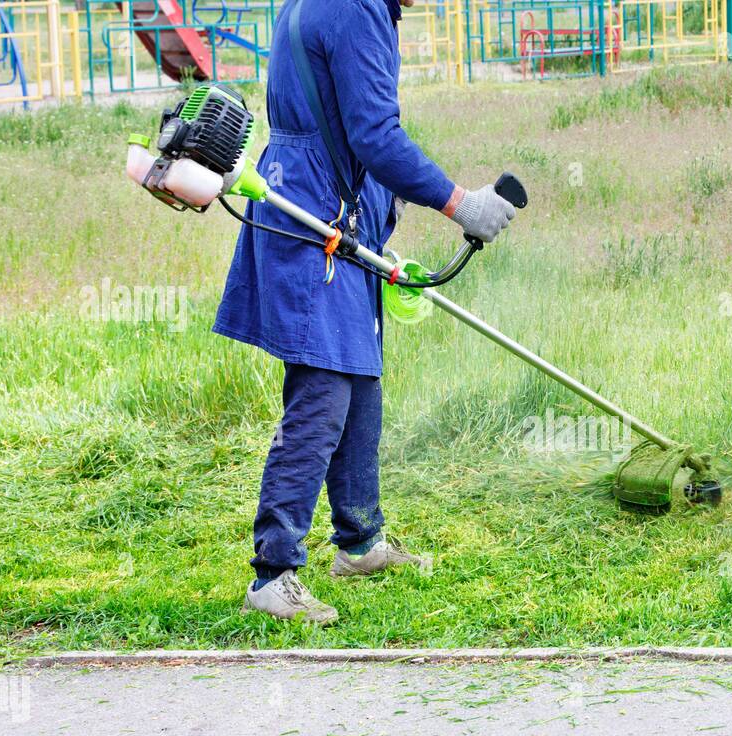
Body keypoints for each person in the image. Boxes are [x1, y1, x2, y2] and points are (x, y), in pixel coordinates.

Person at [213, 0, 515, 624]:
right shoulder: (354, 9)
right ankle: (274, 573)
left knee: (359, 382)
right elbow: (374, 134)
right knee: (323, 391)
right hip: (318, 220)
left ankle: (359, 542)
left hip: (325, 207)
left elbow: (338, 126)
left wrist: (381, 219)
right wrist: (460, 204)